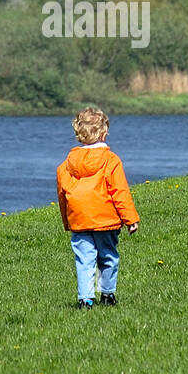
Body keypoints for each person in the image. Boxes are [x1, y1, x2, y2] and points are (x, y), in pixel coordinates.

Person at [56, 106, 140, 309]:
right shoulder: (111, 160)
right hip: (105, 220)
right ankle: (107, 294)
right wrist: (130, 219)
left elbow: (63, 195)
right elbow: (119, 191)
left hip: (80, 220)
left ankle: (85, 298)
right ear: (104, 132)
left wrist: (68, 221)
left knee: (84, 260)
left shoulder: (67, 164)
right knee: (108, 256)